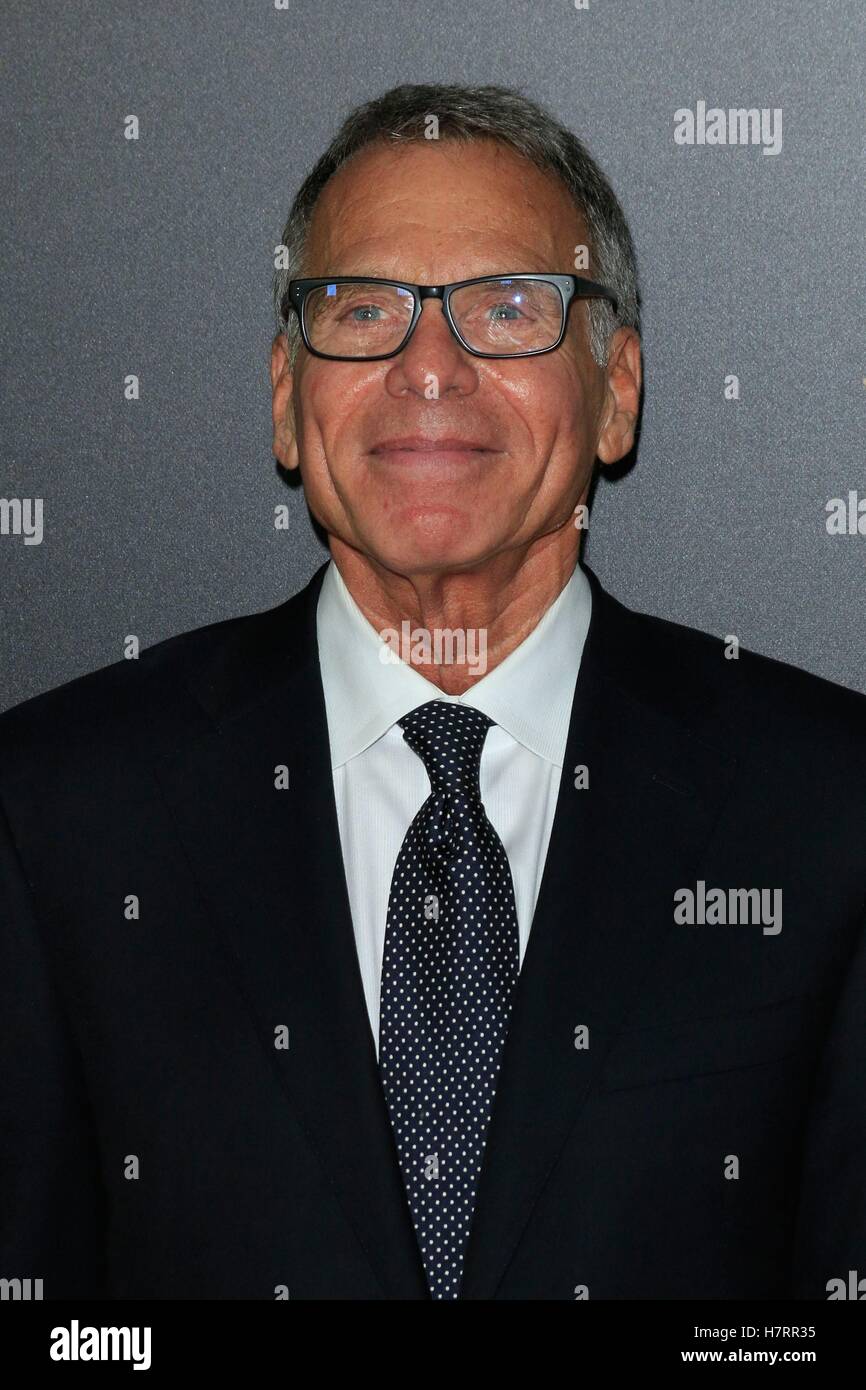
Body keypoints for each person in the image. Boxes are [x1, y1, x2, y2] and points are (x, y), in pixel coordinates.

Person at [1, 83, 864, 1301]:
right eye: (362, 309)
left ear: (614, 389)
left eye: (506, 308)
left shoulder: (826, 808)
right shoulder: (58, 813)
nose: (426, 367)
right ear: (286, 399)